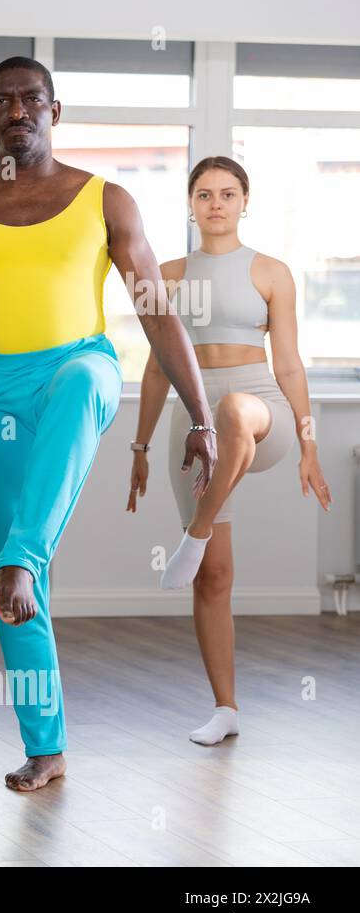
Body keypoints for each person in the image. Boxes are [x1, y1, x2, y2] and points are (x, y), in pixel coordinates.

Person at [0, 57, 216, 792]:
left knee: (75, 394)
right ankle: (46, 747)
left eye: (31, 98)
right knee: (11, 585)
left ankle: (24, 553)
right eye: (2, 100)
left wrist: (201, 415)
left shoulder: (106, 200)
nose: (18, 110)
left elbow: (154, 310)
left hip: (82, 364)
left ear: (55, 110)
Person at [127, 155, 331, 745]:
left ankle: (194, 534)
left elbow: (289, 363)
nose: (216, 203)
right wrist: (139, 445)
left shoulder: (272, 272)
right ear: (189, 205)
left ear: (245, 203)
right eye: (204, 194)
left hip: (258, 409)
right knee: (213, 578)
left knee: (233, 412)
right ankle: (225, 710)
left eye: (228, 193)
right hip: (192, 421)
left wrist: (309, 444)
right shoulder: (164, 274)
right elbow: (157, 368)